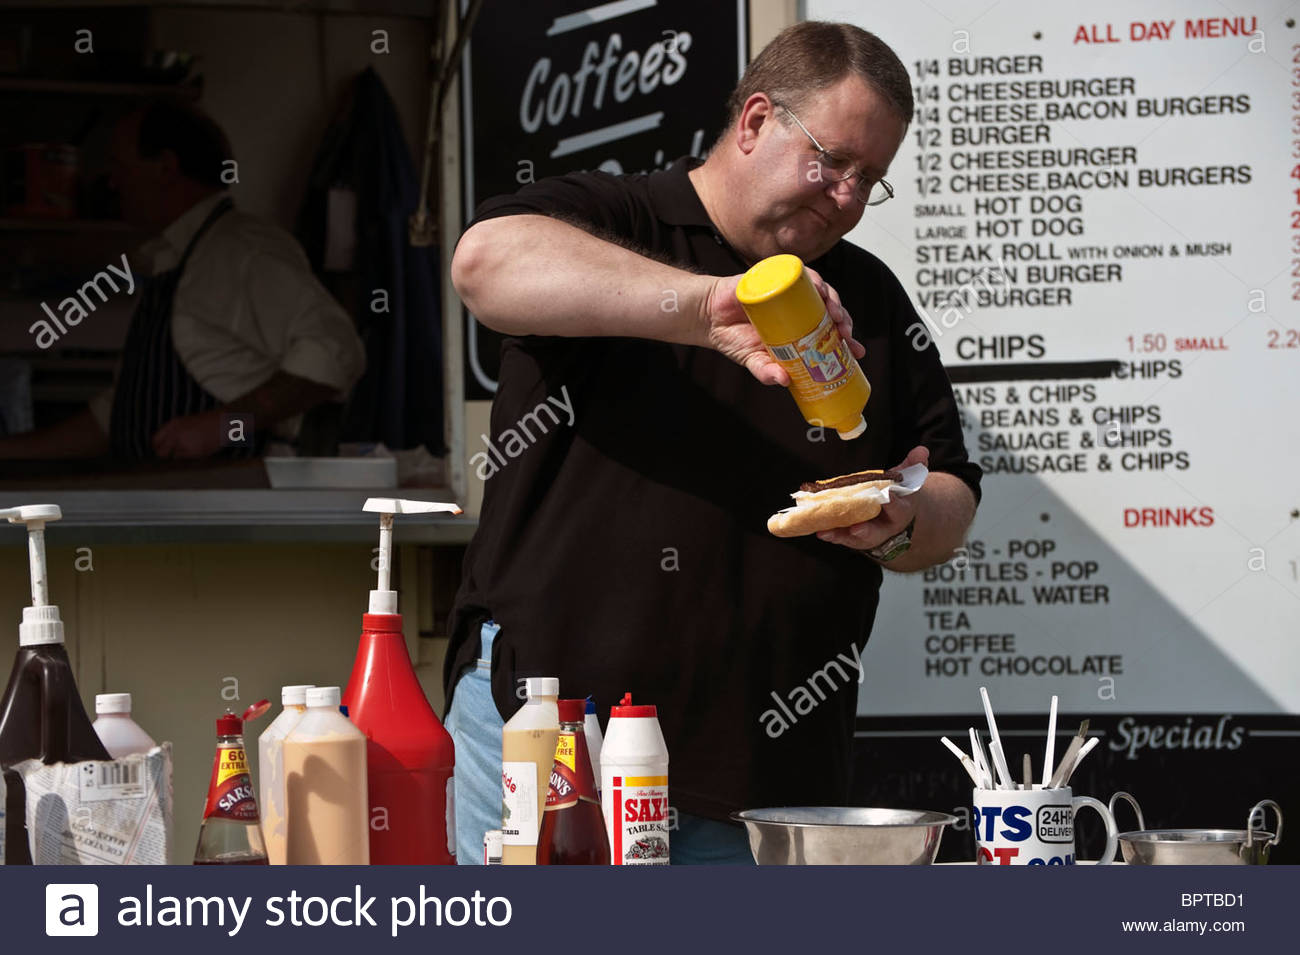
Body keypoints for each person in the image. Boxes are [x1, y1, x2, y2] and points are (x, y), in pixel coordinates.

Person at [444, 21, 981, 864]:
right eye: (832, 161)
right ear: (757, 119)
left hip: (774, 783)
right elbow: (484, 264)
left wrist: (902, 517)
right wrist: (705, 309)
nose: (845, 196)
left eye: (869, 180)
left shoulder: (867, 296)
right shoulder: (612, 217)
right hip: (560, 744)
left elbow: (950, 489)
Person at [0, 102, 364, 462]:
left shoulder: (242, 251)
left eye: (119, 165)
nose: (112, 181)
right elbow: (113, 419)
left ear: (166, 168)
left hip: (221, 510)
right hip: (158, 505)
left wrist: (222, 425)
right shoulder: (169, 259)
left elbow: (334, 349)